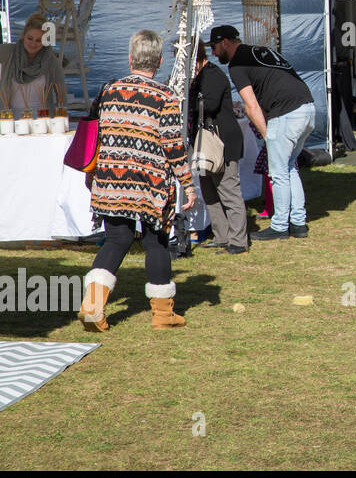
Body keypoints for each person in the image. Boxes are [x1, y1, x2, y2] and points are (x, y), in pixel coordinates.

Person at [78, 30, 195, 333]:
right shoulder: (165, 96)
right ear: (159, 61)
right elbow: (172, 144)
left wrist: (92, 174)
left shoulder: (108, 90)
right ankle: (162, 314)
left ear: (130, 59)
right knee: (156, 241)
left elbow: (96, 136)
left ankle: (92, 306)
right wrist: (189, 183)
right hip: (149, 183)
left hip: (110, 178)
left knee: (117, 239)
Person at [209, 24, 314, 240]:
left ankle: (279, 226)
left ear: (225, 43)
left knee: (277, 172)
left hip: (287, 113)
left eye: (215, 47)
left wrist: (267, 136)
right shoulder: (260, 51)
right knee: (289, 167)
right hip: (307, 107)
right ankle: (298, 222)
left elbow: (251, 106)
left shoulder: (237, 64)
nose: (213, 52)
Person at [189, 41, 248, 255]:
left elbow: (211, 105)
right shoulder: (199, 76)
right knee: (209, 190)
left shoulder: (212, 75)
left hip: (221, 141)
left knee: (228, 190)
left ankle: (238, 240)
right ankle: (222, 235)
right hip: (205, 142)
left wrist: (188, 99)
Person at [0, 12, 66, 114]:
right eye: (29, 38)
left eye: (38, 40)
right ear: (23, 36)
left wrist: (60, 118)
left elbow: (61, 95)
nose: (33, 44)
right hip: (9, 121)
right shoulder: (9, 52)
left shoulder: (51, 61)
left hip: (43, 121)